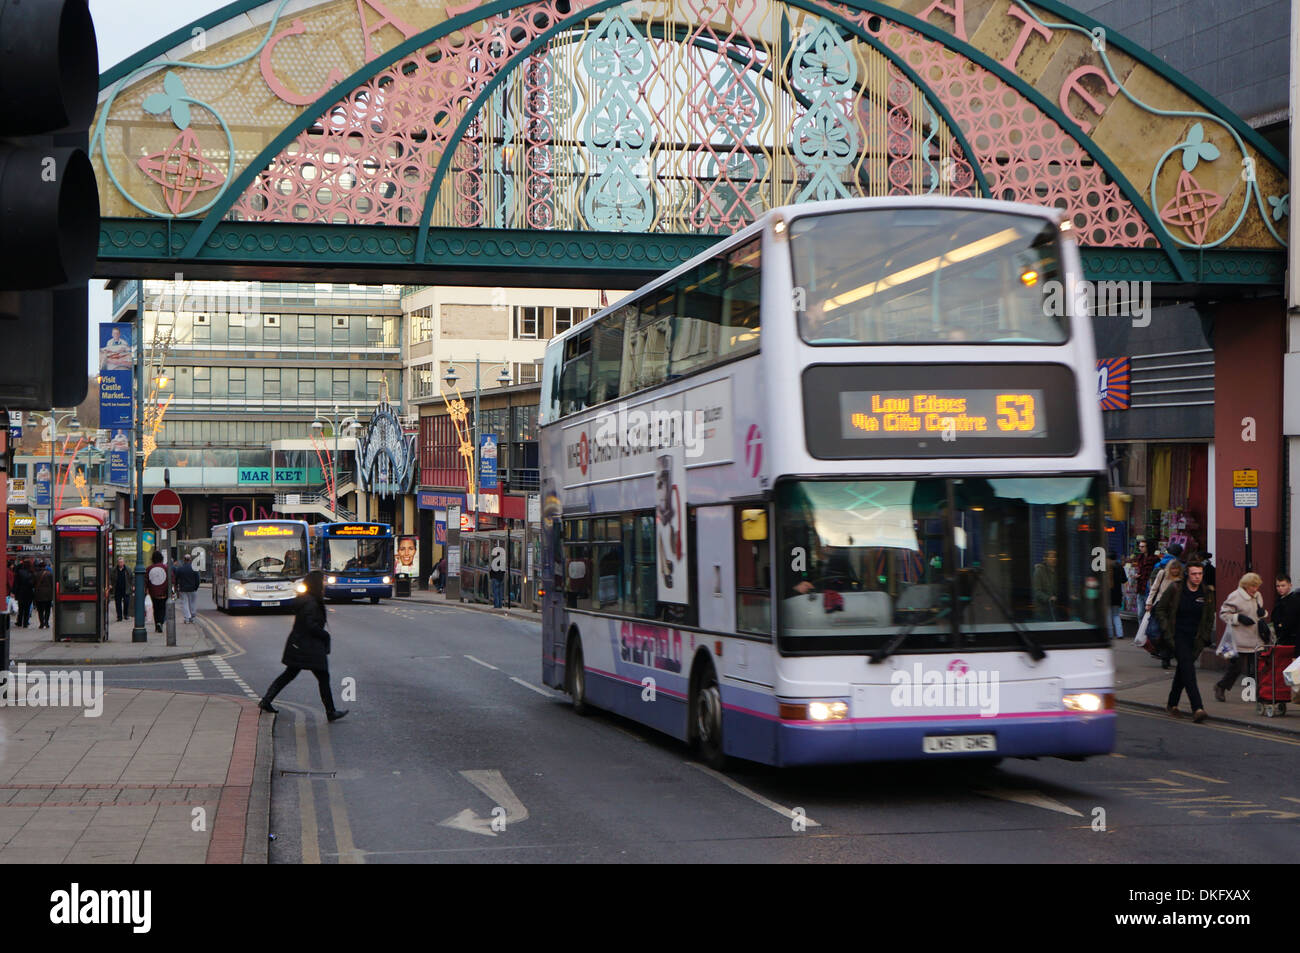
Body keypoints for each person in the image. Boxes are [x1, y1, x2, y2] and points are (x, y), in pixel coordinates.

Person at [258, 571, 347, 721]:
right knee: (322, 677)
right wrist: (325, 635)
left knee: (289, 674)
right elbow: (310, 626)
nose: (324, 585)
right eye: (322, 582)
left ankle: (266, 700)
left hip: (300, 645)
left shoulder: (308, 600)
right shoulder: (311, 603)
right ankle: (330, 712)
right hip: (308, 647)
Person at [1155, 560, 1215, 722]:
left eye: (1200, 574)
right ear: (1187, 574)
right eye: (1194, 574)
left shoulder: (1207, 593)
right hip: (1177, 636)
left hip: (1196, 639)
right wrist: (1167, 631)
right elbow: (1160, 609)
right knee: (1189, 670)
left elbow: (1210, 617)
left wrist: (1205, 636)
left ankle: (1172, 704)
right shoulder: (1175, 588)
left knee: (1183, 670)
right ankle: (1198, 708)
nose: (1197, 577)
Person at [1215, 572, 1270, 703]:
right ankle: (1221, 686)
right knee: (1236, 668)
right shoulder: (1235, 596)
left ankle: (1252, 693)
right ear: (1246, 585)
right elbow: (1224, 614)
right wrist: (1238, 618)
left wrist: (1263, 613)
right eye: (1253, 586)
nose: (1255, 589)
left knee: (1255, 669)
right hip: (1239, 639)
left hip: (1256, 638)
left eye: (1257, 586)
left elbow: (1259, 615)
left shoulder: (1257, 596)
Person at [145, 551, 171, 634]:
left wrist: (147, 589)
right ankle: (161, 622)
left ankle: (157, 624)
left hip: (153, 592)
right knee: (163, 608)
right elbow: (172, 579)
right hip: (164, 591)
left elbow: (146, 580)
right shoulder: (166, 568)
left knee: (156, 608)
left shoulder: (149, 568)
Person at [1273, 573, 1299, 648]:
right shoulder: (1279, 600)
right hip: (1283, 640)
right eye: (1278, 586)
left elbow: (1290, 622)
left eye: (1283, 585)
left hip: (1291, 640)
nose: (1280, 588)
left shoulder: (1294, 601)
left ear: (1290, 585)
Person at [173, 554, 201, 624]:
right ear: (190, 560)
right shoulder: (194, 568)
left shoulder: (180, 569)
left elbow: (176, 579)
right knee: (193, 603)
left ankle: (187, 618)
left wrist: (176, 588)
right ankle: (193, 617)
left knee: (184, 603)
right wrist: (196, 587)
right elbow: (198, 580)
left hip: (183, 589)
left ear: (184, 560)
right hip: (193, 589)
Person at [1032, 550, 1058, 621]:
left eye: (1054, 557)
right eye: (1051, 558)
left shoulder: (1054, 572)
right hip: (1042, 611)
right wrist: (1048, 598)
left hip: (1052, 609)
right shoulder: (1039, 571)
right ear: (1045, 559)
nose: (1053, 559)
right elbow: (1037, 592)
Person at [32, 560, 54, 629]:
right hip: (48, 594)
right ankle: (47, 623)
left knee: (40, 610)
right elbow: (52, 584)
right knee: (47, 609)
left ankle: (41, 623)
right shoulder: (50, 574)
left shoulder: (35, 574)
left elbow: (33, 584)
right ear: (45, 566)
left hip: (38, 594)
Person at [14, 559, 35, 628]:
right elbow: (33, 584)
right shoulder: (32, 572)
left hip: (21, 592)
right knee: (27, 609)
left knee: (21, 608)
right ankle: (25, 623)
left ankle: (19, 622)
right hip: (29, 593)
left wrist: (15, 592)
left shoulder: (19, 572)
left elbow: (16, 584)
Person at [1108, 554, 1125, 638]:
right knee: (1116, 615)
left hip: (1107, 595)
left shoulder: (1105, 567)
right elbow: (1124, 580)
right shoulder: (1119, 567)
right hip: (1117, 594)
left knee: (1108, 615)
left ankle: (1109, 634)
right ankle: (1120, 634)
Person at [112, 557, 132, 622]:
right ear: (117, 563)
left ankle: (125, 614)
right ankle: (119, 616)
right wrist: (110, 585)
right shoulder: (114, 570)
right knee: (118, 603)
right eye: (119, 562)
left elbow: (132, 577)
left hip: (126, 588)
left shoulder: (128, 569)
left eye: (121, 562)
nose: (120, 563)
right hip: (117, 588)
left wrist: (133, 585)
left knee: (126, 602)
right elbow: (111, 578)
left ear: (124, 563)